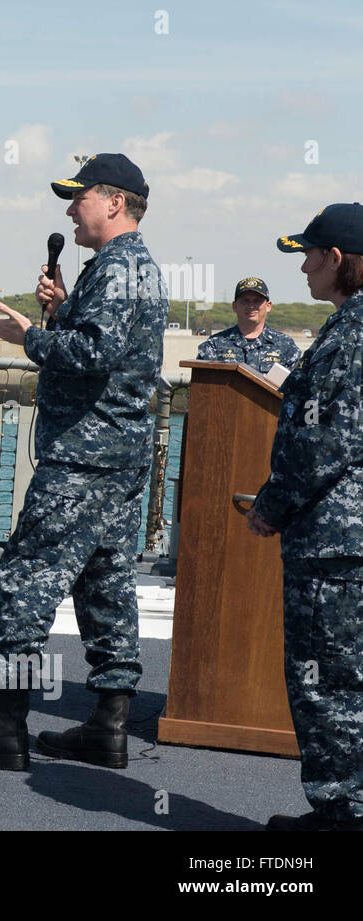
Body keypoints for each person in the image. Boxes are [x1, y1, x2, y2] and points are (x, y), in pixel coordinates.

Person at [0, 153, 167, 771]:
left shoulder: (116, 268)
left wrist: (29, 337)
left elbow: (92, 355)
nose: (70, 209)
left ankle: (6, 726)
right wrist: (61, 311)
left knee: (23, 582)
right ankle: (108, 724)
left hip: (82, 458)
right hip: (119, 457)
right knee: (106, 583)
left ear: (114, 202)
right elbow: (105, 347)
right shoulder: (132, 267)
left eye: (79, 198)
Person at [248, 203, 363, 831]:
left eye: (310, 255)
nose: (303, 267)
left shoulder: (349, 336)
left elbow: (322, 444)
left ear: (338, 260)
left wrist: (271, 506)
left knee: (329, 683)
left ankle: (341, 814)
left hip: (335, 546)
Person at [196, 277, 301, 373]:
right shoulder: (214, 345)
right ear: (234, 306)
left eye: (257, 301)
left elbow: (295, 388)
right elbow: (203, 387)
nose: (251, 306)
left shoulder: (285, 345)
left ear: (268, 306)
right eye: (245, 301)